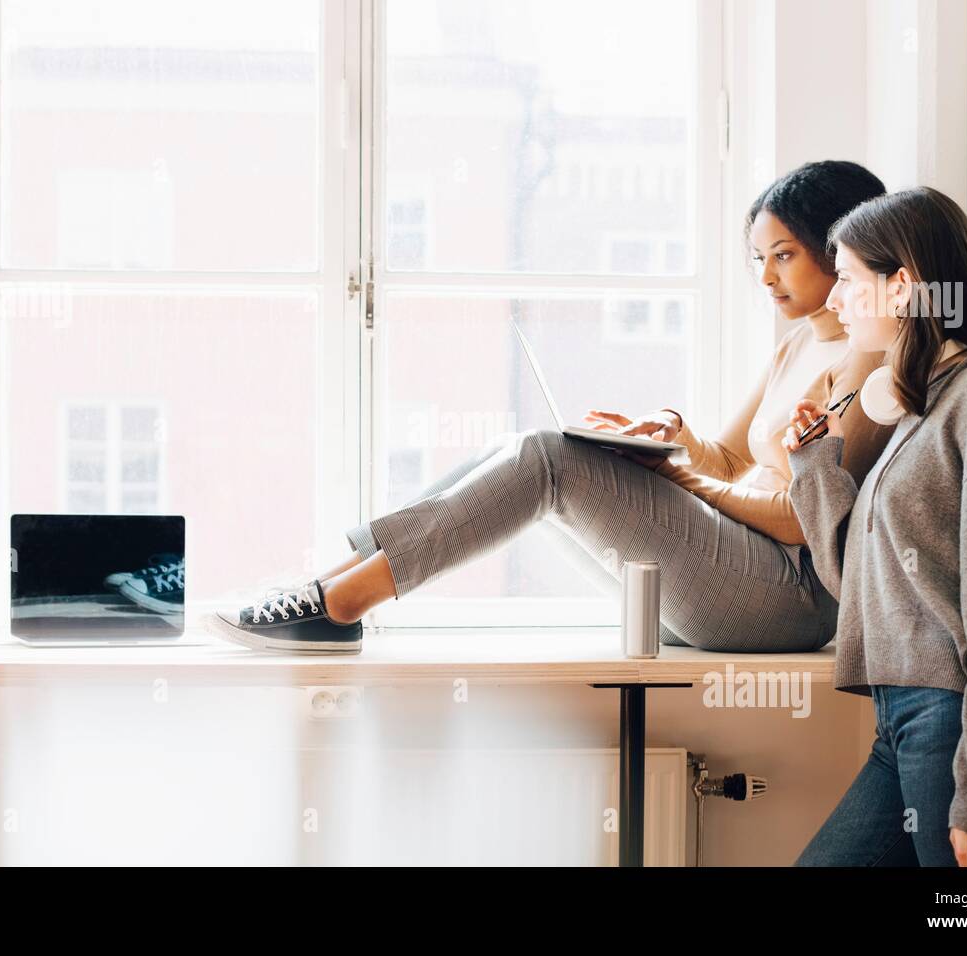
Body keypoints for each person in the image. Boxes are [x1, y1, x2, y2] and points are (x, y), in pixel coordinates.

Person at [208, 160, 895, 655]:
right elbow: (734, 459)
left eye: (784, 255)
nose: (768, 276)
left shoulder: (865, 363)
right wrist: (671, 439)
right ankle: (330, 581)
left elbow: (812, 523)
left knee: (548, 462)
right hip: (737, 577)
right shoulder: (797, 347)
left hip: (787, 599)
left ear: (843, 250)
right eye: (758, 259)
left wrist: (682, 479)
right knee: (531, 449)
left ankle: (340, 608)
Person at [783, 186, 967, 867]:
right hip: (906, 721)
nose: (834, 300)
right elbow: (862, 584)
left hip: (963, 727)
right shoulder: (925, 407)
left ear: (903, 286)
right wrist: (814, 468)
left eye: (848, 279)